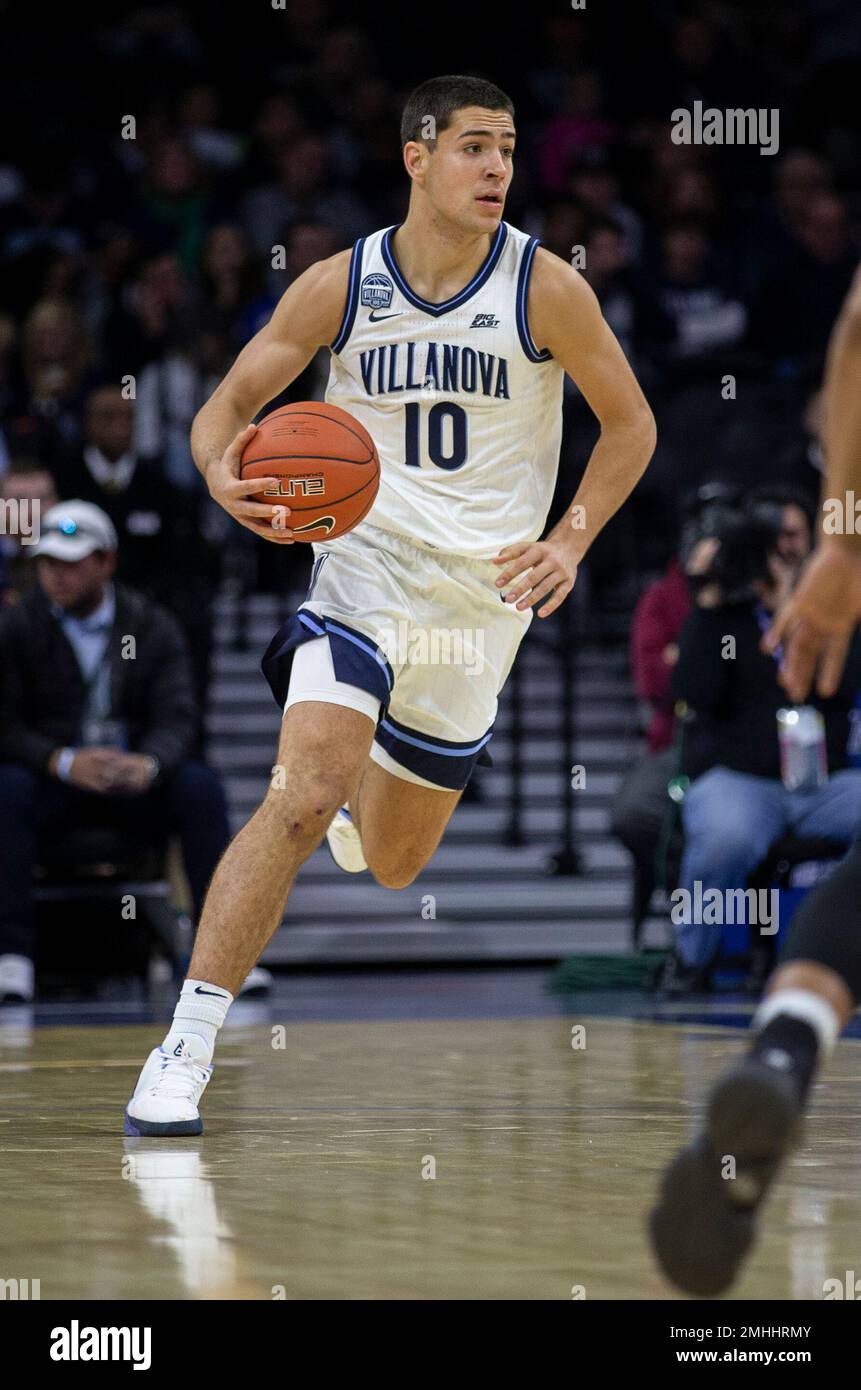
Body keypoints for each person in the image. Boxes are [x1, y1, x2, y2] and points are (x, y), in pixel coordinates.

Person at [123, 73, 657, 1137]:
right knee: (299, 791)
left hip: (481, 602)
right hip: (363, 572)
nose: (497, 166)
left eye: (506, 147)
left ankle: (366, 797)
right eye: (472, 146)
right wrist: (220, 473)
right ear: (416, 157)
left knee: (396, 858)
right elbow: (232, 402)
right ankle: (185, 1044)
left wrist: (568, 539)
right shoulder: (340, 282)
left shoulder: (545, 287)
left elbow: (632, 425)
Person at [650, 264, 861, 1296]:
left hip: (820, 772)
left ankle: (782, 1049)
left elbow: (857, 324)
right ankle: (704, 972)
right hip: (743, 775)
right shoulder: (721, 607)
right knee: (729, 825)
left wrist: (840, 546)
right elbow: (687, 697)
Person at [0, 500, 231, 1004]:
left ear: (106, 562)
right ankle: (13, 954)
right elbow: (6, 725)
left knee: (199, 787)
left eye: (70, 563)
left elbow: (179, 717)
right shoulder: (17, 627)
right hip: (55, 783)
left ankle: (222, 955)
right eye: (47, 563)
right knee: (7, 789)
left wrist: (149, 763)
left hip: (131, 782)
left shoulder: (150, 625)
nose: (55, 576)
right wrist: (61, 760)